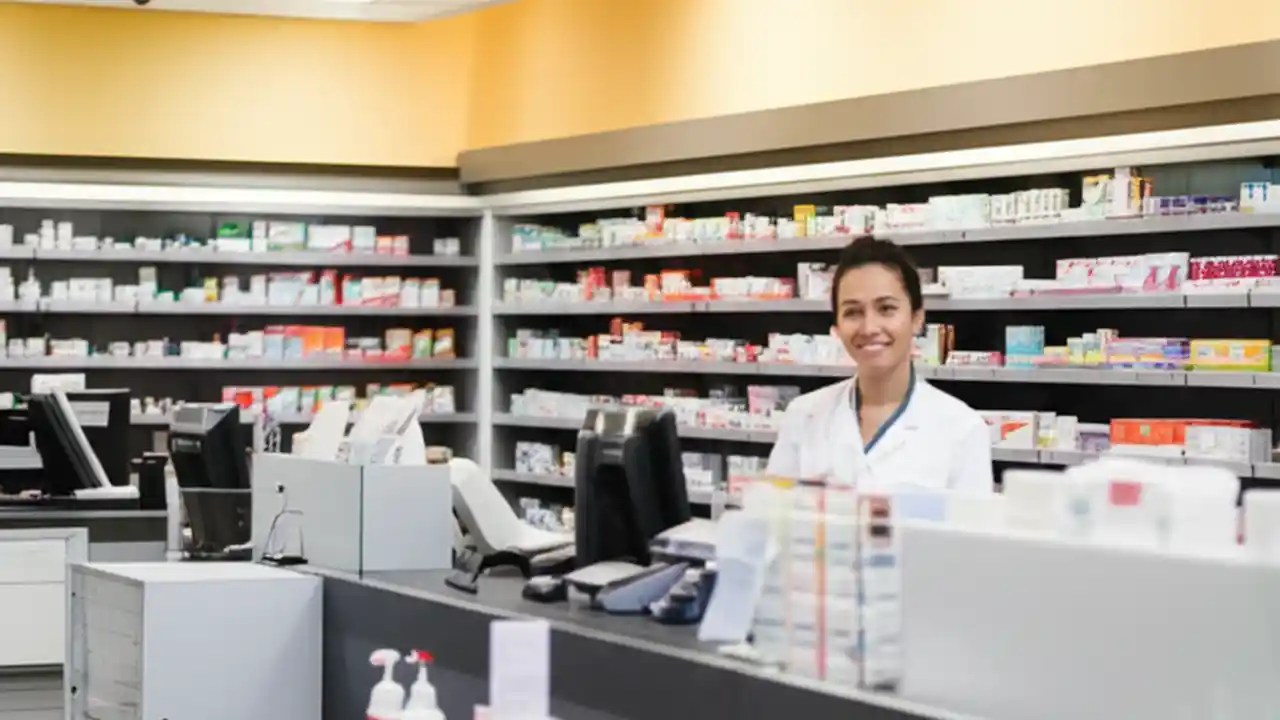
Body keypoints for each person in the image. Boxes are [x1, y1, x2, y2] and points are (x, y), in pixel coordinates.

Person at [767, 237, 994, 493]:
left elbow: (969, 532)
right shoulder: (803, 416)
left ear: (917, 319)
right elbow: (770, 520)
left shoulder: (962, 429)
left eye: (886, 308)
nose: (869, 328)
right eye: (852, 312)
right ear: (837, 327)